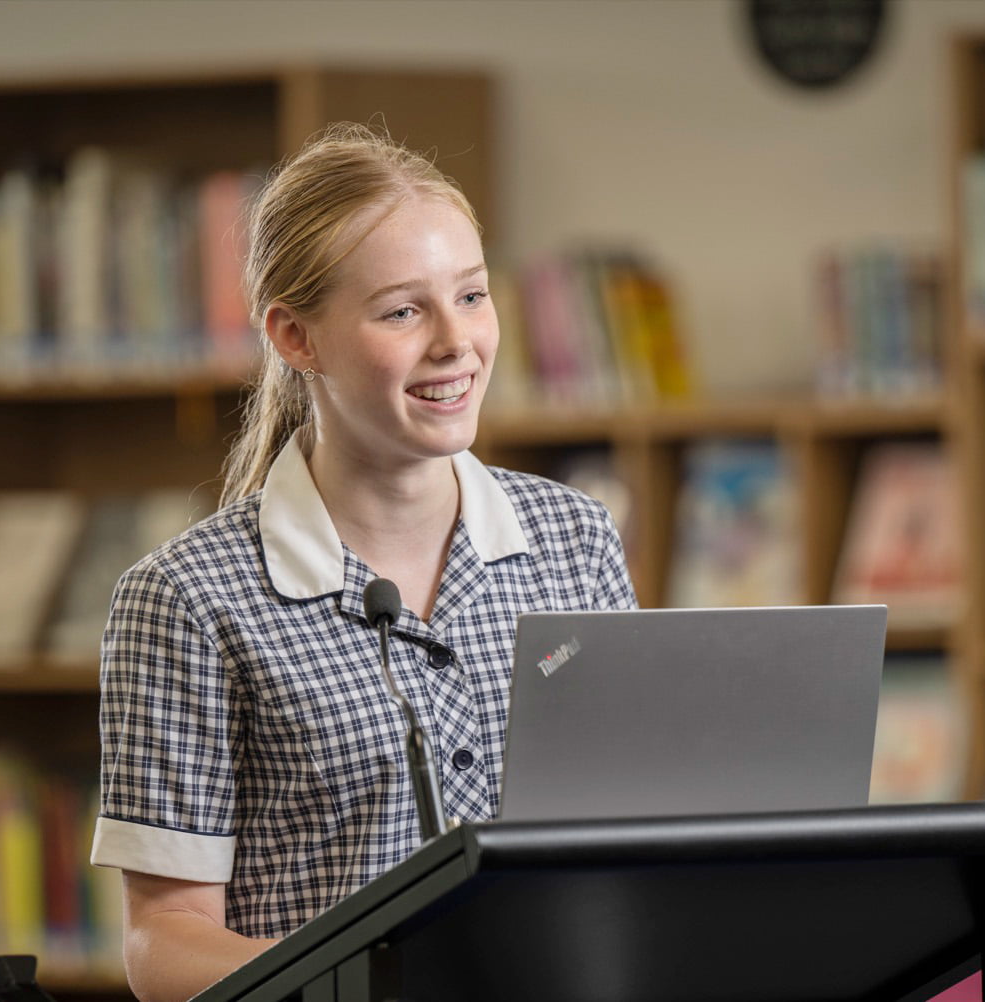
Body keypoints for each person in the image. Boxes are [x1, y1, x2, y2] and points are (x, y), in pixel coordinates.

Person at [89, 123, 638, 1002]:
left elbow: (628, 841)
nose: (456, 342)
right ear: (295, 337)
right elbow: (165, 943)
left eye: (471, 296)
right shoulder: (187, 599)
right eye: (402, 312)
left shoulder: (576, 541)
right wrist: (375, 986)